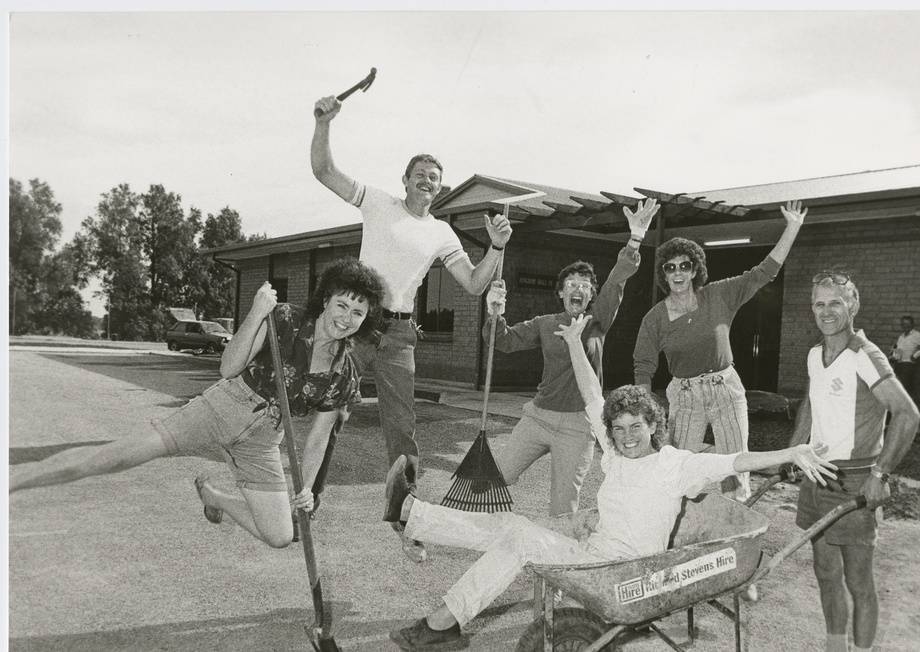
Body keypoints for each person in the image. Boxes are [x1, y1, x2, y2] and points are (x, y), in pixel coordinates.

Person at [381, 313, 838, 652]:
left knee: (517, 535)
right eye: (618, 428)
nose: (626, 436)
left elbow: (738, 459)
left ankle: (440, 605)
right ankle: (414, 521)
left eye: (635, 426)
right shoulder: (617, 457)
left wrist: (791, 453)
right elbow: (590, 395)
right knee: (509, 527)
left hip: (624, 570)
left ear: (653, 424)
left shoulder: (676, 465)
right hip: (598, 558)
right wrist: (577, 343)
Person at [10, 259, 385, 550]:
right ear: (325, 300)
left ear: (366, 320)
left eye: (358, 313)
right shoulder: (283, 319)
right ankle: (14, 481)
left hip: (261, 442)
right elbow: (229, 367)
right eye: (342, 305)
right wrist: (256, 311)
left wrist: (305, 487)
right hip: (221, 408)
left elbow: (319, 438)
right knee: (117, 456)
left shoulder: (344, 373)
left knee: (280, 535)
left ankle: (216, 497)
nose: (346, 318)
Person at [311, 94, 513, 562]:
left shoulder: (443, 232)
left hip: (401, 336)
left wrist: (497, 247)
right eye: (420, 174)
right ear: (405, 180)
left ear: (440, 189)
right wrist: (323, 123)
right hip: (360, 327)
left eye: (435, 178)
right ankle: (310, 499)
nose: (427, 181)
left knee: (403, 431)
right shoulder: (379, 203)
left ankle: (406, 522)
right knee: (331, 409)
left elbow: (474, 283)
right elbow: (325, 171)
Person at [781, 271, 920, 652]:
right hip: (818, 477)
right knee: (825, 572)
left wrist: (881, 473)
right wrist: (793, 450)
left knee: (859, 581)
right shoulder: (814, 353)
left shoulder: (865, 354)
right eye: (819, 303)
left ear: (853, 306)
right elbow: (812, 404)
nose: (826, 312)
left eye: (835, 303)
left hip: (857, 481)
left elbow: (907, 414)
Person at [483, 198, 660, 517]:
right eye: (570, 286)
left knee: (563, 506)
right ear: (561, 293)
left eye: (584, 287)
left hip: (578, 427)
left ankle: (558, 554)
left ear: (591, 295)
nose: (577, 290)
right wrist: (494, 312)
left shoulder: (598, 322)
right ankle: (464, 526)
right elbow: (504, 341)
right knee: (496, 478)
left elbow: (616, 281)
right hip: (537, 418)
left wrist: (635, 238)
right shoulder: (544, 324)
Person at [632, 201, 808, 502]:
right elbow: (643, 366)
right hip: (685, 397)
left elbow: (763, 273)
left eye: (684, 266)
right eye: (670, 267)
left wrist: (792, 227)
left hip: (724, 390)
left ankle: (737, 535)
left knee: (736, 471)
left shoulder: (718, 295)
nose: (678, 273)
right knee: (679, 471)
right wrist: (645, 414)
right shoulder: (656, 318)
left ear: (695, 269)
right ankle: (676, 531)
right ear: (663, 273)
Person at [889, 315, 920, 400]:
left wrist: (915, 355)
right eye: (904, 324)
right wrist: (892, 356)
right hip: (899, 365)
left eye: (908, 324)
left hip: (908, 366)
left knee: (905, 389)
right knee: (896, 387)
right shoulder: (901, 337)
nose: (906, 325)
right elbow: (896, 348)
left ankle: (906, 410)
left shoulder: (917, 335)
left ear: (913, 324)